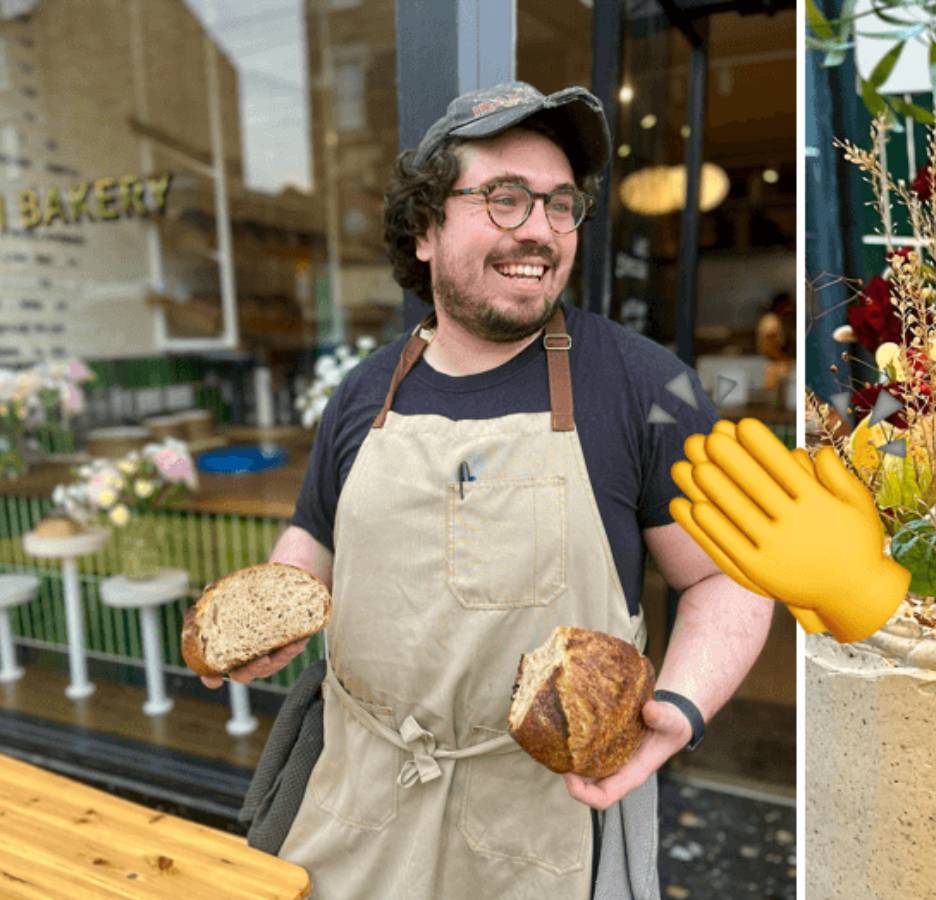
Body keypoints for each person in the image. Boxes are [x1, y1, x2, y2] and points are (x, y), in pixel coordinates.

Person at [201, 81, 773, 898]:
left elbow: (727, 577)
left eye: (560, 204)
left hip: (543, 822)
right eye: (505, 199)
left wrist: (677, 711)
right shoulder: (364, 392)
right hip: (357, 796)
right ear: (425, 228)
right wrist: (266, 619)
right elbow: (315, 539)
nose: (539, 229)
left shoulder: (648, 387)